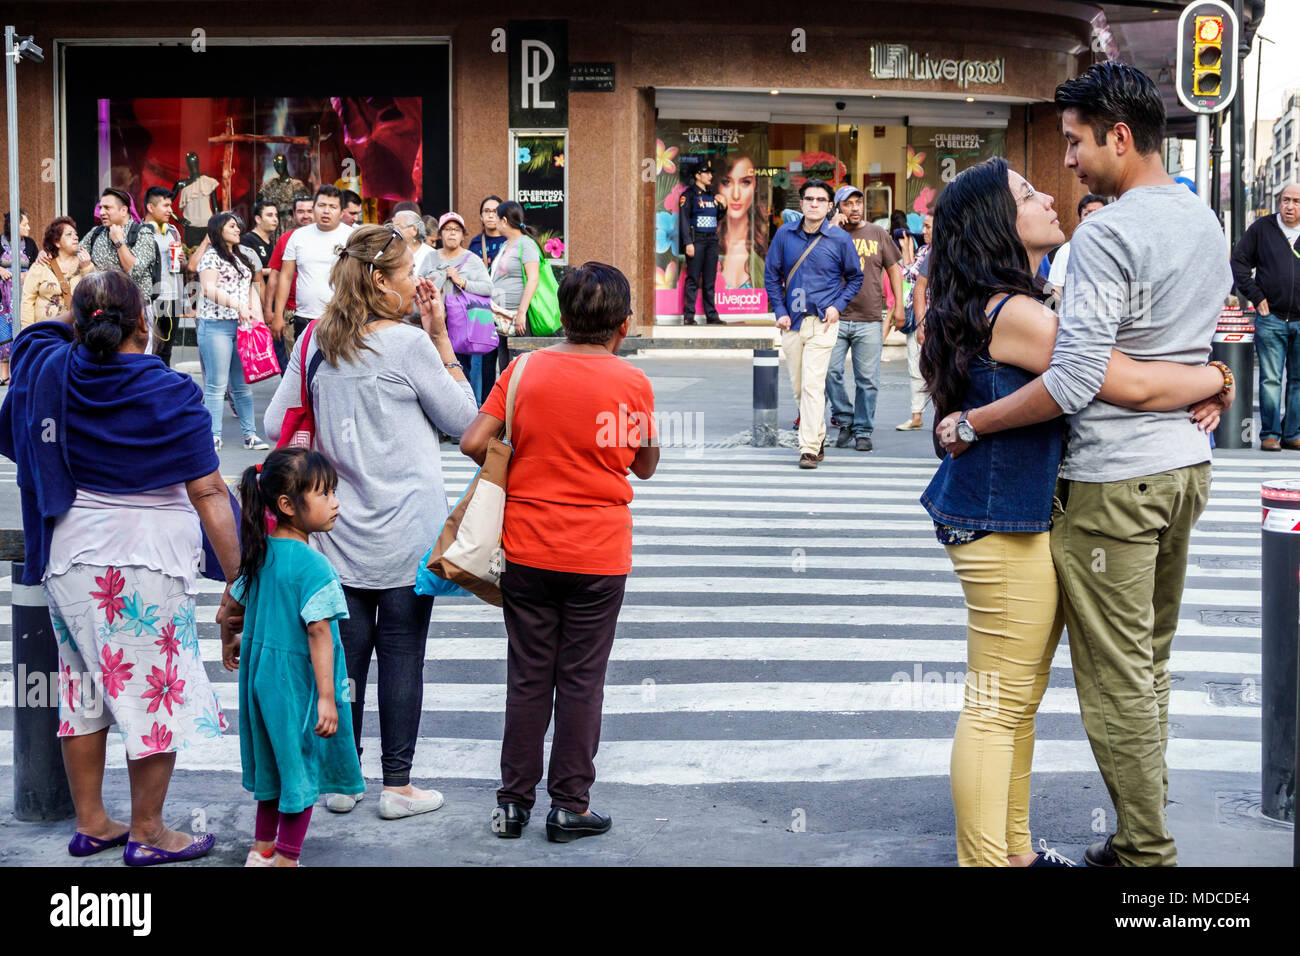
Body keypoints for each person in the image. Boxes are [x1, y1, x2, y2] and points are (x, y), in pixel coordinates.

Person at [936, 62, 1236, 868]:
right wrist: (1214, 379)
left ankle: (1143, 851)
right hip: (1184, 469)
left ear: (1120, 137)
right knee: (1140, 666)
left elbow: (1082, 382)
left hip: (1114, 480)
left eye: (1073, 143)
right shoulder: (1204, 221)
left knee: (1109, 683)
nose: (1065, 166)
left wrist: (967, 422)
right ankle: (1040, 849)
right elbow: (1177, 349)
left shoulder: (1104, 233)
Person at [0, 269, 243, 865]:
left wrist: (84, 316)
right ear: (144, 322)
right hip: (142, 564)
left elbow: (38, 339)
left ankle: (93, 824)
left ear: (79, 325)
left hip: (68, 560)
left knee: (83, 693)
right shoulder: (170, 391)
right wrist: (241, 580)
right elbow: (210, 492)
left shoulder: (49, 370)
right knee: (152, 700)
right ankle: (149, 832)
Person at [264, 224, 478, 819]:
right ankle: (398, 786)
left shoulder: (314, 344)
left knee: (346, 654)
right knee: (404, 653)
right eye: (409, 272)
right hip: (409, 531)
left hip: (336, 532)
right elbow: (466, 423)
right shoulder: (409, 346)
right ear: (380, 281)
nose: (418, 281)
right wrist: (441, 341)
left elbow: (279, 418)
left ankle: (344, 780)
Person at [459, 261, 659, 843]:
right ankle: (570, 803)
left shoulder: (523, 369)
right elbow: (643, 466)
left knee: (527, 676)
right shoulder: (631, 383)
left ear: (562, 318)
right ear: (622, 326)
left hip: (526, 546)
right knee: (580, 679)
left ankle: (512, 803)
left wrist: (522, 469)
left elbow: (474, 439)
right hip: (598, 553)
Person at [225, 448, 364, 867]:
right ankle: (287, 857)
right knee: (300, 765)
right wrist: (326, 696)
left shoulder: (260, 553)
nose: (335, 502)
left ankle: (262, 847)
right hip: (298, 684)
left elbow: (234, 605)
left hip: (260, 680)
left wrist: (229, 641)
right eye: (324, 494)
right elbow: (320, 632)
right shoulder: (314, 566)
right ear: (287, 505)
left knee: (273, 763)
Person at [763, 178, 864, 469]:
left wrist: (837, 307)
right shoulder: (784, 235)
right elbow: (772, 275)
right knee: (799, 385)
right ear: (802, 203)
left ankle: (808, 449)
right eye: (810, 199)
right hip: (791, 321)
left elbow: (855, 276)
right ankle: (817, 436)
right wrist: (779, 310)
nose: (815, 204)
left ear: (829, 205)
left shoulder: (840, 239)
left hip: (822, 321)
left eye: (821, 200)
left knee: (812, 384)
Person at [826, 185, 903, 452]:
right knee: (829, 371)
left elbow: (894, 270)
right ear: (837, 208)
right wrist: (832, 228)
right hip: (833, 317)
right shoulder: (828, 233)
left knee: (867, 379)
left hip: (869, 317)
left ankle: (862, 429)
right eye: (848, 204)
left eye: (858, 202)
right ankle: (845, 419)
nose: (855, 208)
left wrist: (899, 307)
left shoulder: (878, 234)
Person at [1231, 182, 1300, 451]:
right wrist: (1256, 297)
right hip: (1271, 318)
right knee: (1271, 380)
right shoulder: (1262, 229)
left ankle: (1292, 433)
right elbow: (1239, 263)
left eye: (1295, 201)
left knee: (1297, 380)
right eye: (1285, 200)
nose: (1290, 206)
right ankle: (1270, 434)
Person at [196, 212, 270, 451]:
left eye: (238, 226)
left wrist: (257, 319)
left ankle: (250, 435)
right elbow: (208, 289)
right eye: (232, 226)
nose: (238, 230)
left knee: (241, 385)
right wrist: (238, 306)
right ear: (219, 230)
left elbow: (251, 290)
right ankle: (213, 435)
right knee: (216, 386)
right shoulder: (211, 257)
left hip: (241, 326)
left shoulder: (241, 257)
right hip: (215, 325)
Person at [419, 211, 497, 402]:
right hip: (435, 325)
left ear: (463, 234)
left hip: (464, 327)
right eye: (447, 229)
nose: (451, 233)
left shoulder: (472, 259)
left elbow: (488, 288)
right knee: (437, 373)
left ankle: (467, 417)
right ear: (440, 234)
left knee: (465, 374)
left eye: (456, 229)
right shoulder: (430, 258)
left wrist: (460, 281)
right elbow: (418, 285)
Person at [275, 185, 353, 340]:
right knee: (304, 363)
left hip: (342, 317)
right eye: (321, 205)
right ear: (314, 208)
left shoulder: (352, 237)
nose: (326, 211)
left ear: (341, 212)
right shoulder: (298, 236)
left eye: (332, 207)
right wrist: (278, 315)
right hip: (304, 316)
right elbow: (285, 276)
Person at [84, 187, 159, 305]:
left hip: (133, 310)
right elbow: (72, 255)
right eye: (101, 208)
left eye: (107, 208)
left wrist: (119, 243)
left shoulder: (142, 233)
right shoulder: (96, 232)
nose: (102, 212)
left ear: (124, 210)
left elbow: (134, 272)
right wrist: (46, 254)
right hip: (101, 307)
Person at [20, 217, 94, 331]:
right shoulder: (41, 265)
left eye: (76, 234)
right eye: (69, 234)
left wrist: (87, 268)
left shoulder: (86, 264)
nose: (75, 237)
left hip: (77, 334)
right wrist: (27, 333)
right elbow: (27, 301)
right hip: (46, 335)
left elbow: (96, 296)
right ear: (57, 242)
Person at [897, 212, 933, 431]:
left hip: (933, 319)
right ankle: (917, 415)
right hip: (923, 317)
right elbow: (910, 275)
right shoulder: (924, 251)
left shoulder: (935, 252)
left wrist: (906, 253)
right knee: (917, 367)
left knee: (926, 368)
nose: (924, 231)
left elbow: (910, 274)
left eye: (929, 227)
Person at [141, 187, 185, 367]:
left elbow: (181, 267)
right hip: (151, 298)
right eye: (165, 206)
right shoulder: (140, 232)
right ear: (151, 207)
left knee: (167, 351)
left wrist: (181, 260)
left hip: (173, 297)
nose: (170, 210)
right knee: (151, 349)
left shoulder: (173, 231)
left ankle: (163, 388)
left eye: (171, 205)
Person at [677, 157, 722, 325]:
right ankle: (689, 316)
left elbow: (717, 217)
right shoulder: (688, 195)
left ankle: (712, 315)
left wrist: (723, 206)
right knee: (693, 279)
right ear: (697, 175)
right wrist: (688, 242)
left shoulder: (712, 195)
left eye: (711, 173)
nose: (710, 176)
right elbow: (683, 220)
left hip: (711, 241)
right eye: (706, 173)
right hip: (697, 241)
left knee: (710, 280)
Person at [265, 194, 315, 346]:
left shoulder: (329, 238)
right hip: (291, 312)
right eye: (300, 211)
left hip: (324, 311)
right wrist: (269, 310)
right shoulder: (285, 239)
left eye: (309, 211)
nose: (305, 216)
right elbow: (274, 277)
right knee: (294, 361)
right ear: (294, 214)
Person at [715, 153, 769, 292]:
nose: (736, 195)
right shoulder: (706, 242)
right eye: (727, 182)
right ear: (717, 186)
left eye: (745, 182)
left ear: (755, 186)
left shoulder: (763, 247)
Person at [490, 201, 542, 339]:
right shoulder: (505, 244)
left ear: (504, 221)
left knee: (519, 359)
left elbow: (533, 279)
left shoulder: (526, 244)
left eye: (496, 218)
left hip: (517, 318)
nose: (494, 222)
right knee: (505, 361)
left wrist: (521, 312)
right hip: (502, 317)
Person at [1044, 193, 1108, 298]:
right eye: (1087, 214)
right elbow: (1054, 289)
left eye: (1097, 213)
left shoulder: (1117, 249)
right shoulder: (1067, 250)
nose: (1092, 218)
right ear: (1079, 220)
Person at [1, 210, 37, 382]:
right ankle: (4, 374)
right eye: (24, 224)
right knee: (3, 331)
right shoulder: (0, 242)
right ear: (13, 226)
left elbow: (37, 266)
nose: (28, 228)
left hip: (24, 294)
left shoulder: (30, 244)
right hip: (3, 299)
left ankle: (22, 370)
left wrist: (27, 274)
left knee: (24, 327)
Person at [468, 195, 507, 269]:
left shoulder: (510, 240)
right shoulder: (476, 243)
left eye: (495, 211)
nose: (491, 215)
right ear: (481, 217)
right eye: (486, 211)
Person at [393, 208, 432, 275]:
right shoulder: (391, 251)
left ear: (414, 230)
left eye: (399, 228)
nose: (394, 232)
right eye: (394, 228)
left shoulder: (430, 254)